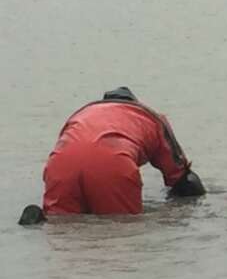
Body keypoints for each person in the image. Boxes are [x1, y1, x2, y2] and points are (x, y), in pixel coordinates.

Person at [40, 87, 203, 216]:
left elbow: (68, 145)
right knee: (120, 231)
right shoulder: (152, 118)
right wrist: (194, 204)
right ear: (135, 102)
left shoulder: (81, 114)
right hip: (113, 163)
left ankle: (40, 222)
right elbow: (180, 175)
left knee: (61, 226)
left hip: (60, 164)